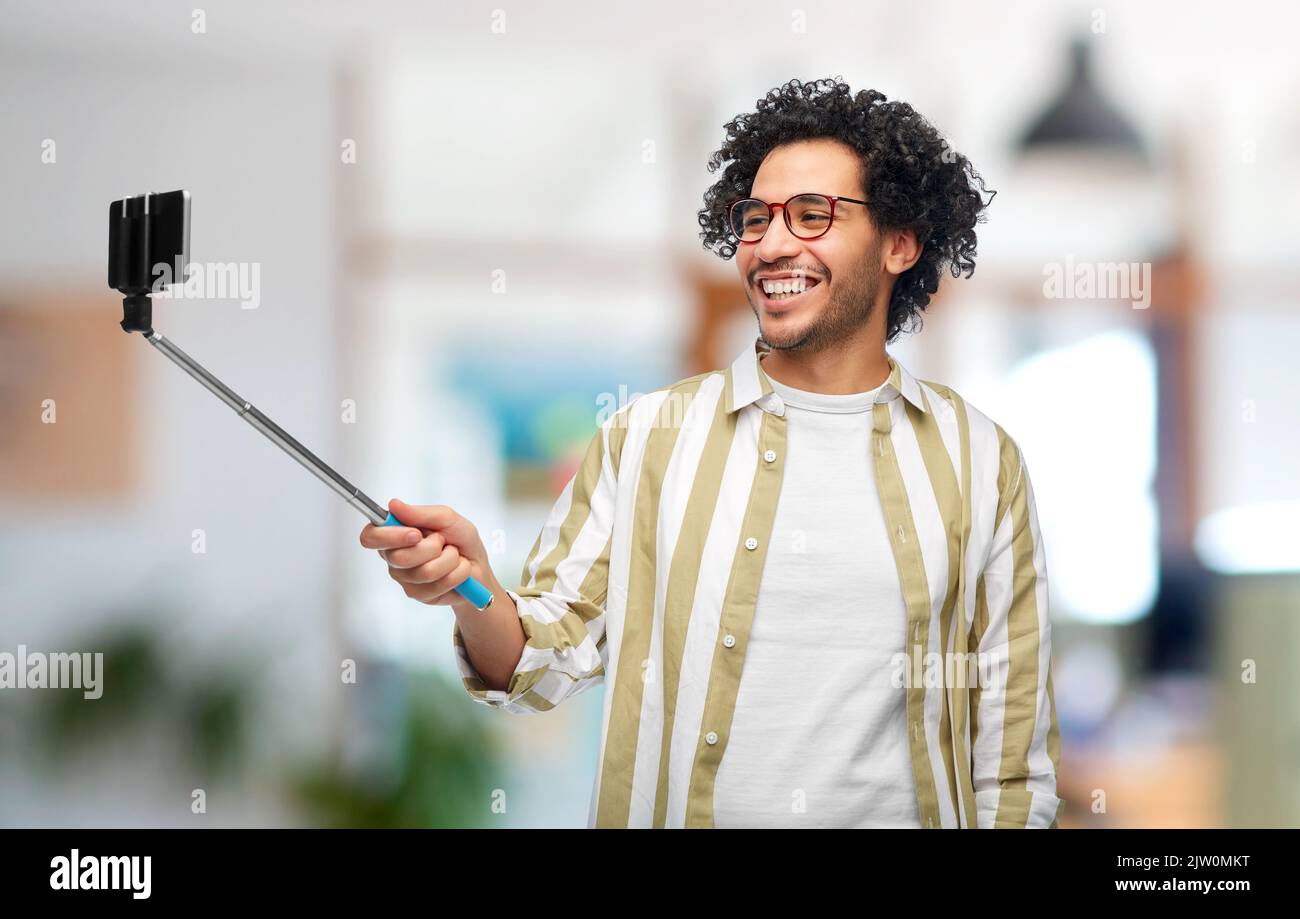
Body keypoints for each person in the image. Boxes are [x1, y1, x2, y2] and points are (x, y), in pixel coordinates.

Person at [361, 77, 1062, 829]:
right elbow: (536, 665)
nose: (772, 243)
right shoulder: (646, 441)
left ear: (900, 242)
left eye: (813, 214)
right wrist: (472, 587)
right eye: (755, 217)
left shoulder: (980, 460)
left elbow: (1012, 762)